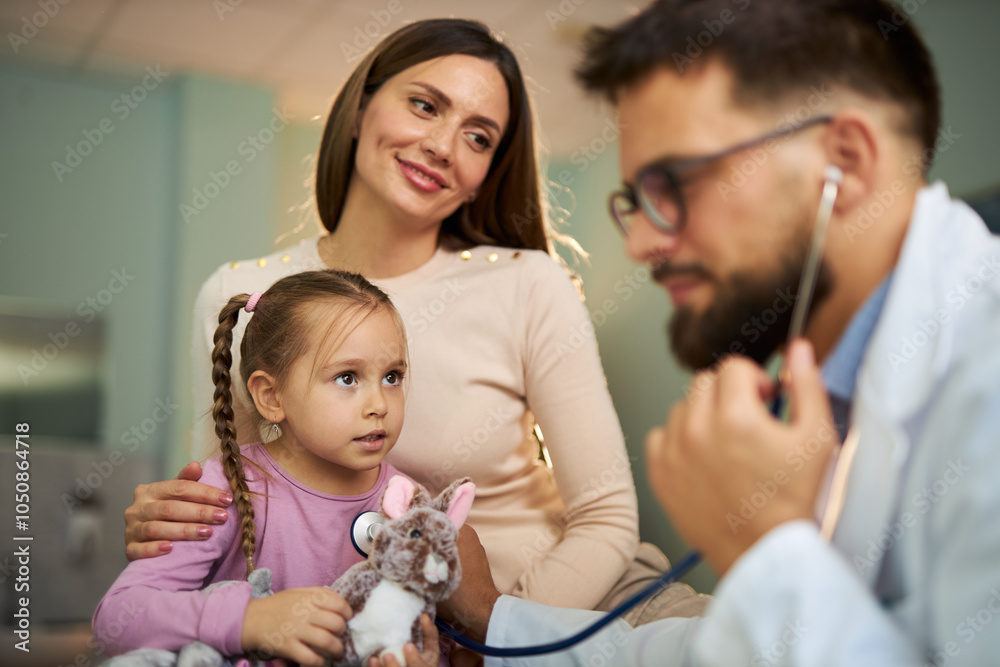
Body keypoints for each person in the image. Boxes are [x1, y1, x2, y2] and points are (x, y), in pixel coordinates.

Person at [436, 0, 1000, 665]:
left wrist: (772, 551)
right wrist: (491, 624)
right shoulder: (835, 391)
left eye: (672, 183)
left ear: (844, 163)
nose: (642, 242)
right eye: (634, 204)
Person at [121, 17, 706, 625]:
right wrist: (170, 528)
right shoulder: (242, 294)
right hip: (386, 630)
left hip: (575, 601)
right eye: (425, 106)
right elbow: (234, 505)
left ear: (487, 176)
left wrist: (499, 633)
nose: (444, 146)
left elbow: (606, 516)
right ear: (360, 106)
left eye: (479, 138)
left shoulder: (531, 282)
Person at [93, 270, 440, 667]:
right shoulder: (226, 488)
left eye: (392, 376)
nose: (379, 403)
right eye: (347, 377)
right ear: (271, 396)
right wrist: (249, 619)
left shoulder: (412, 506)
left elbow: (430, 628)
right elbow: (117, 621)